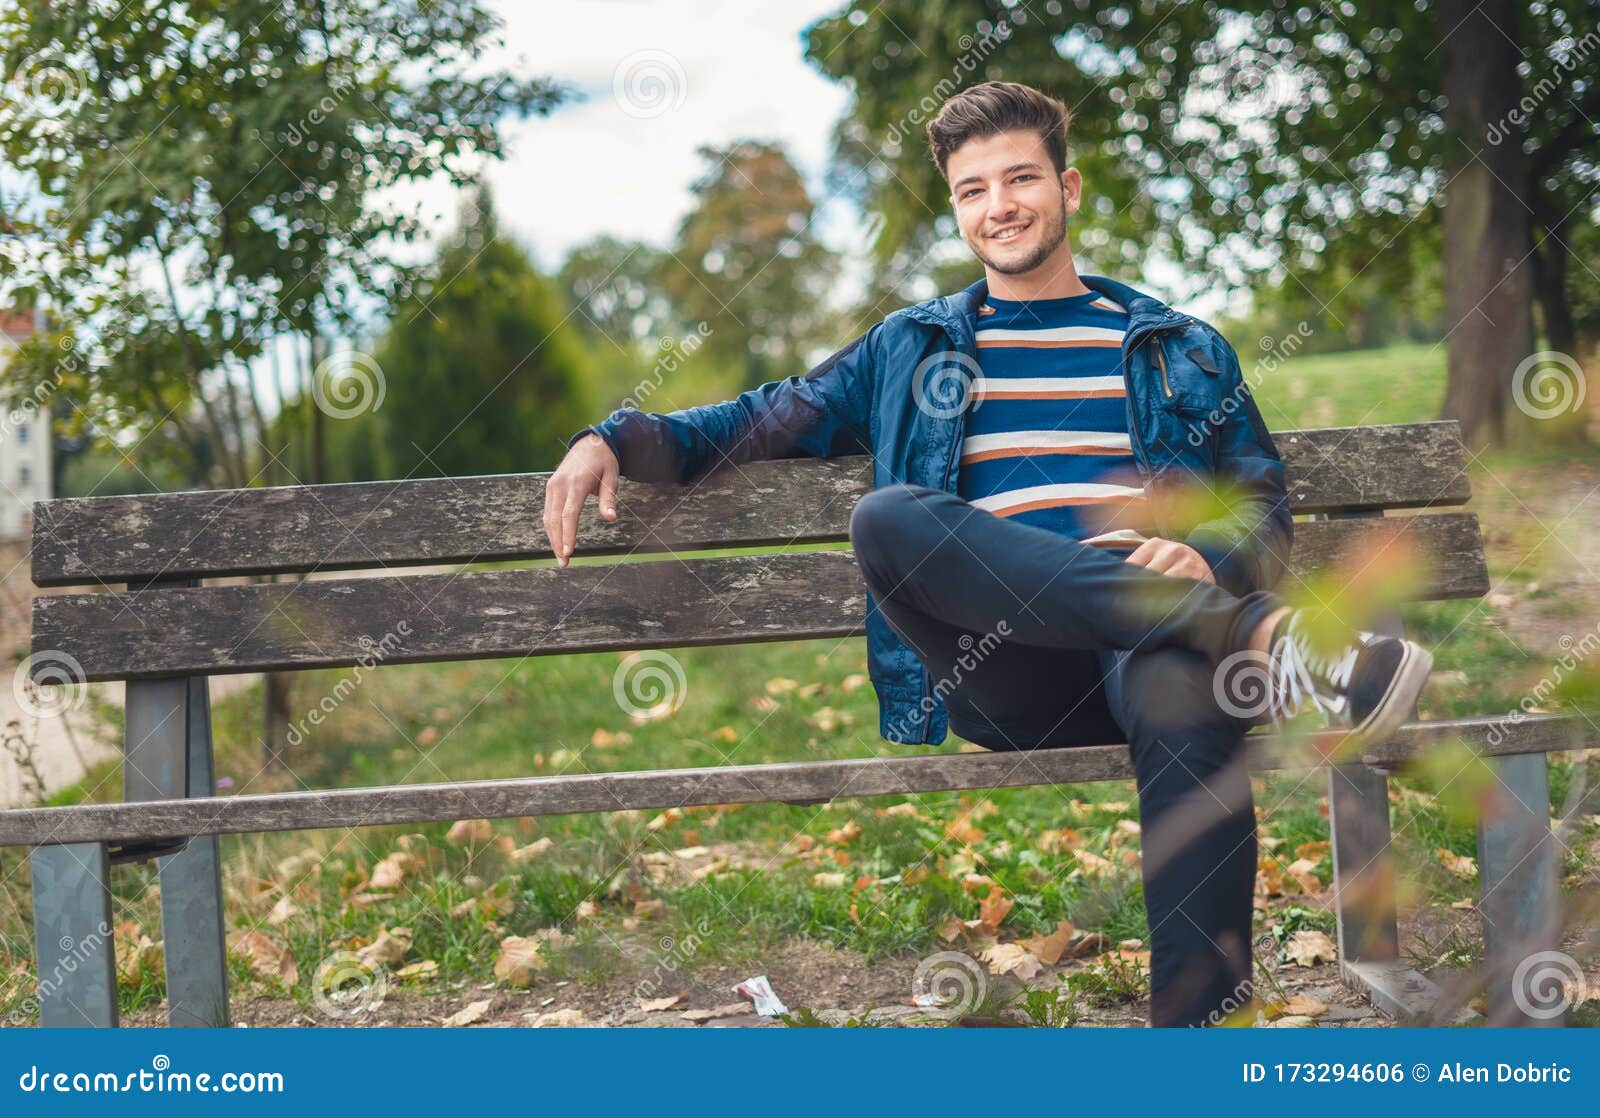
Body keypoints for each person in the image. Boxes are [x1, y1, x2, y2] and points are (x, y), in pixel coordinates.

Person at [542, 81, 1432, 1027]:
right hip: (1008, 666)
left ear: (1069, 186)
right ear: (957, 208)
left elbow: (1259, 504)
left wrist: (1208, 560)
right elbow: (758, 419)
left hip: (1151, 656)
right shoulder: (912, 347)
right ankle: (1264, 642)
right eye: (973, 190)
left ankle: (1199, 1044)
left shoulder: (1182, 348)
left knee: (1181, 683)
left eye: (1020, 179)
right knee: (887, 518)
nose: (998, 206)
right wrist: (612, 435)